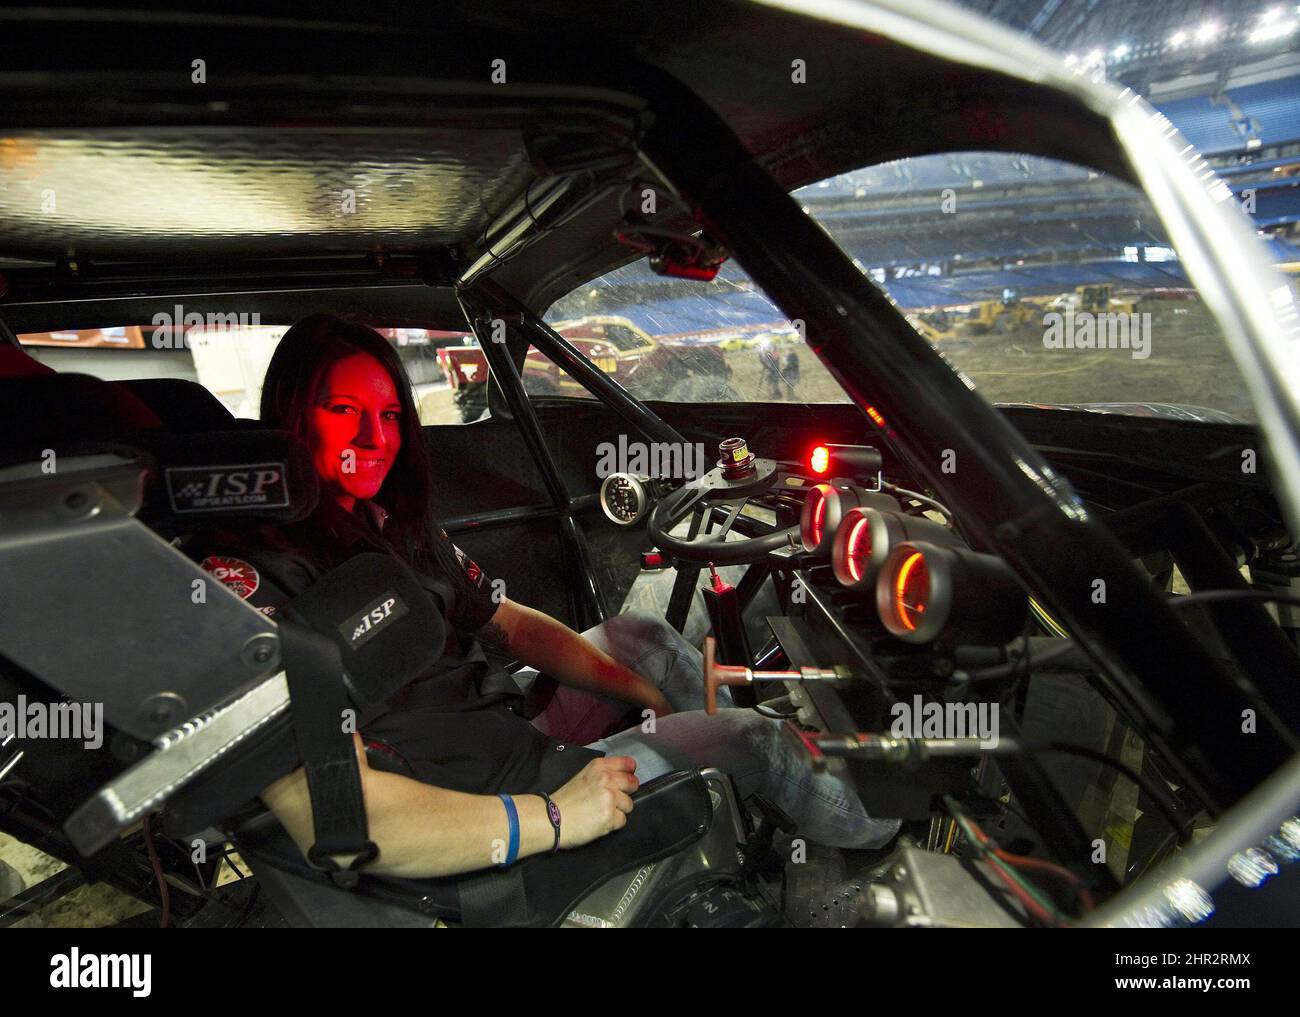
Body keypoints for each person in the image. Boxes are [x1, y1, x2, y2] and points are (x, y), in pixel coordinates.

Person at [199, 314, 897, 881]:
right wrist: (551, 814)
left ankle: (732, 795)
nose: (372, 439)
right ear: (291, 415)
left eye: (386, 413)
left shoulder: (390, 523)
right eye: (343, 410)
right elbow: (339, 810)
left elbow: (509, 623)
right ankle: (889, 830)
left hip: (498, 723)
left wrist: (646, 696)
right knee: (761, 742)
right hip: (491, 792)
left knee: (642, 635)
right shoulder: (256, 574)